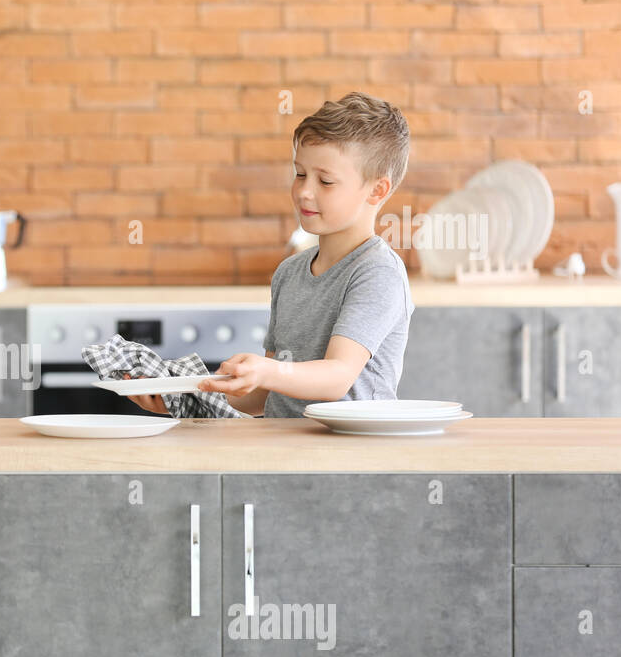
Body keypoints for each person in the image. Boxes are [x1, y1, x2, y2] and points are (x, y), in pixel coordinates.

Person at [126, 92, 414, 418]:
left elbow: (337, 376)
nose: (305, 190)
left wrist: (266, 370)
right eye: (300, 174)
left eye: (326, 181)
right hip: (284, 453)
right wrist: (183, 394)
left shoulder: (376, 272)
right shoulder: (289, 273)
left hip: (349, 457)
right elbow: (266, 395)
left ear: (377, 190)